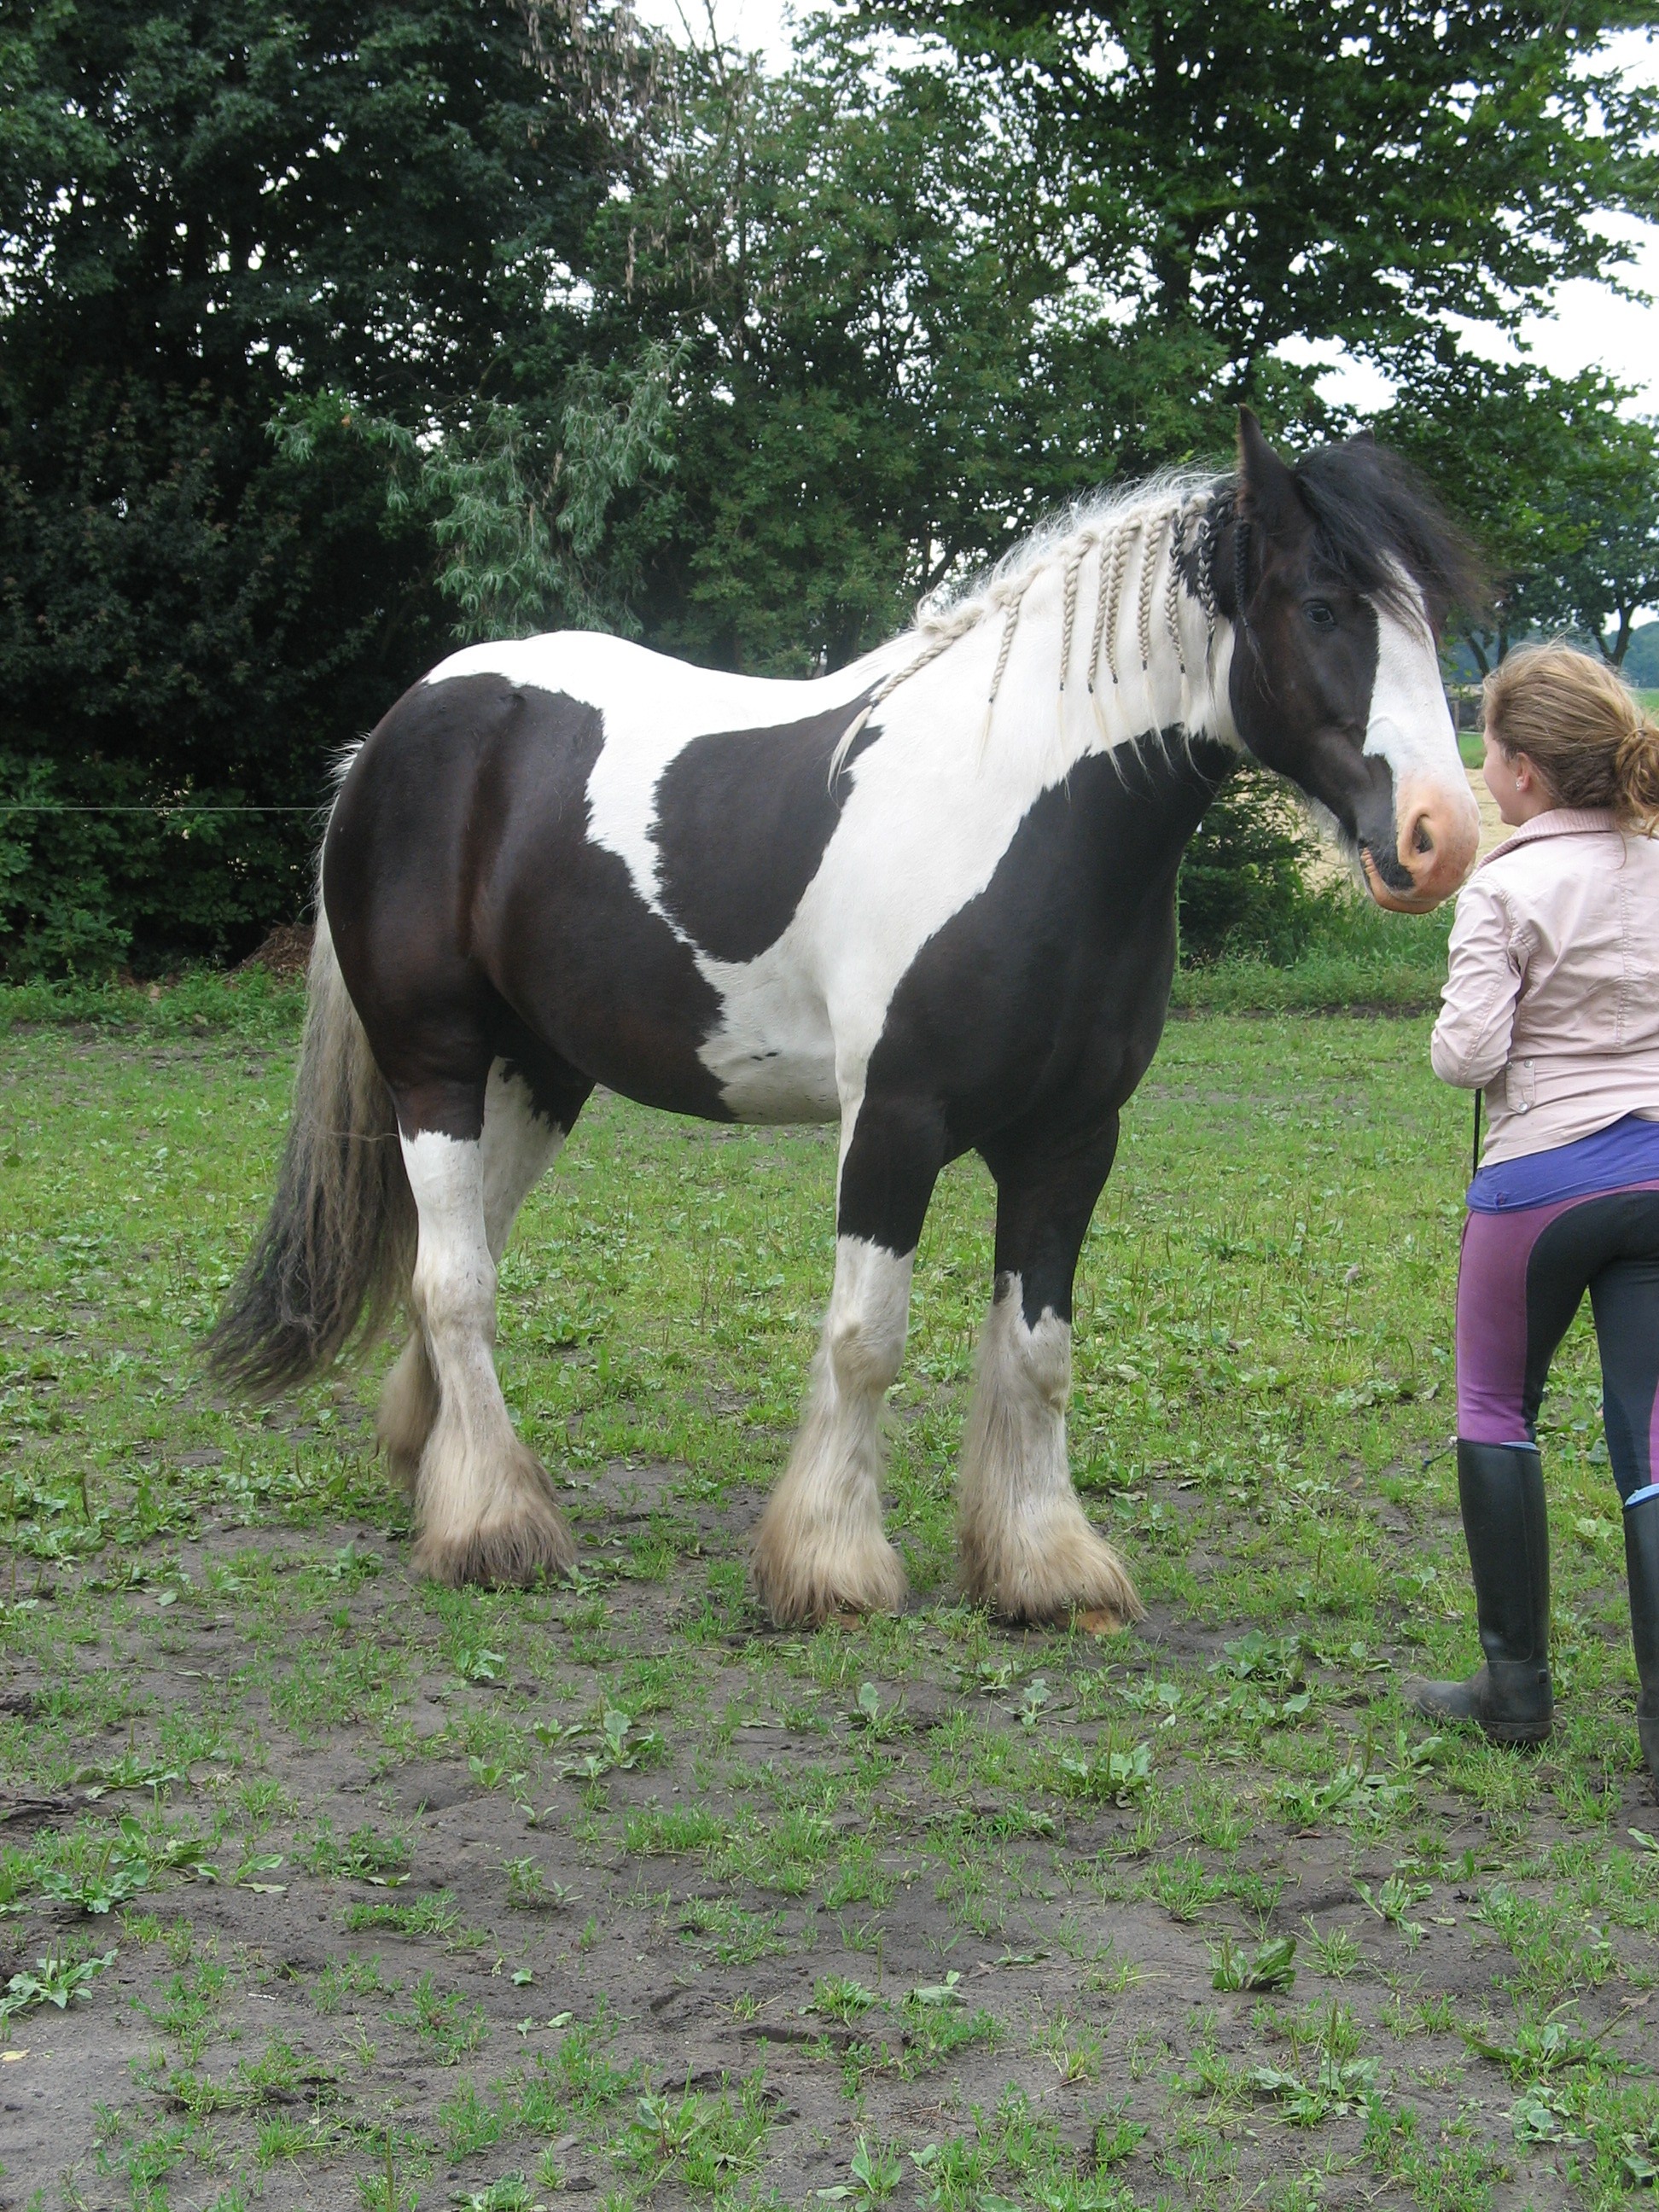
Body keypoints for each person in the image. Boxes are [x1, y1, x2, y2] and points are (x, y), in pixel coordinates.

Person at [1414, 643, 1659, 1789]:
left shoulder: (1503, 888)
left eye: (1490, 750)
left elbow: (1467, 1056)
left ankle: (1515, 1690)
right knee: (1652, 1447)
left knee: (1496, 1411)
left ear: (1520, 771)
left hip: (1540, 1186)